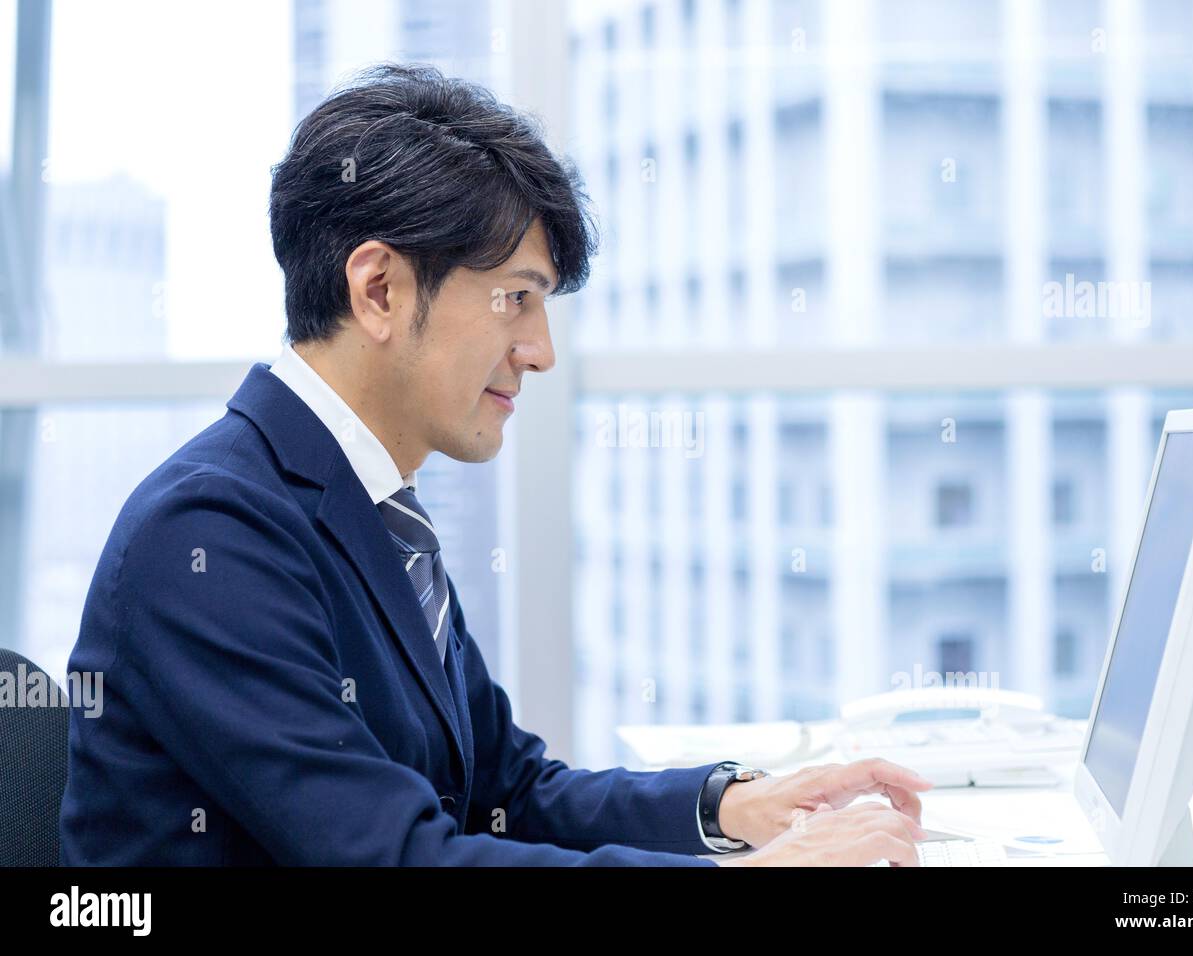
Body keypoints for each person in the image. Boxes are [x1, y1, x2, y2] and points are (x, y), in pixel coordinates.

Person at [60, 64, 931, 866]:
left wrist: (733, 807)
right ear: (380, 290)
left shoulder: (371, 505)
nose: (541, 351)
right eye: (516, 298)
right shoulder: (212, 534)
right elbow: (398, 859)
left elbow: (508, 794)